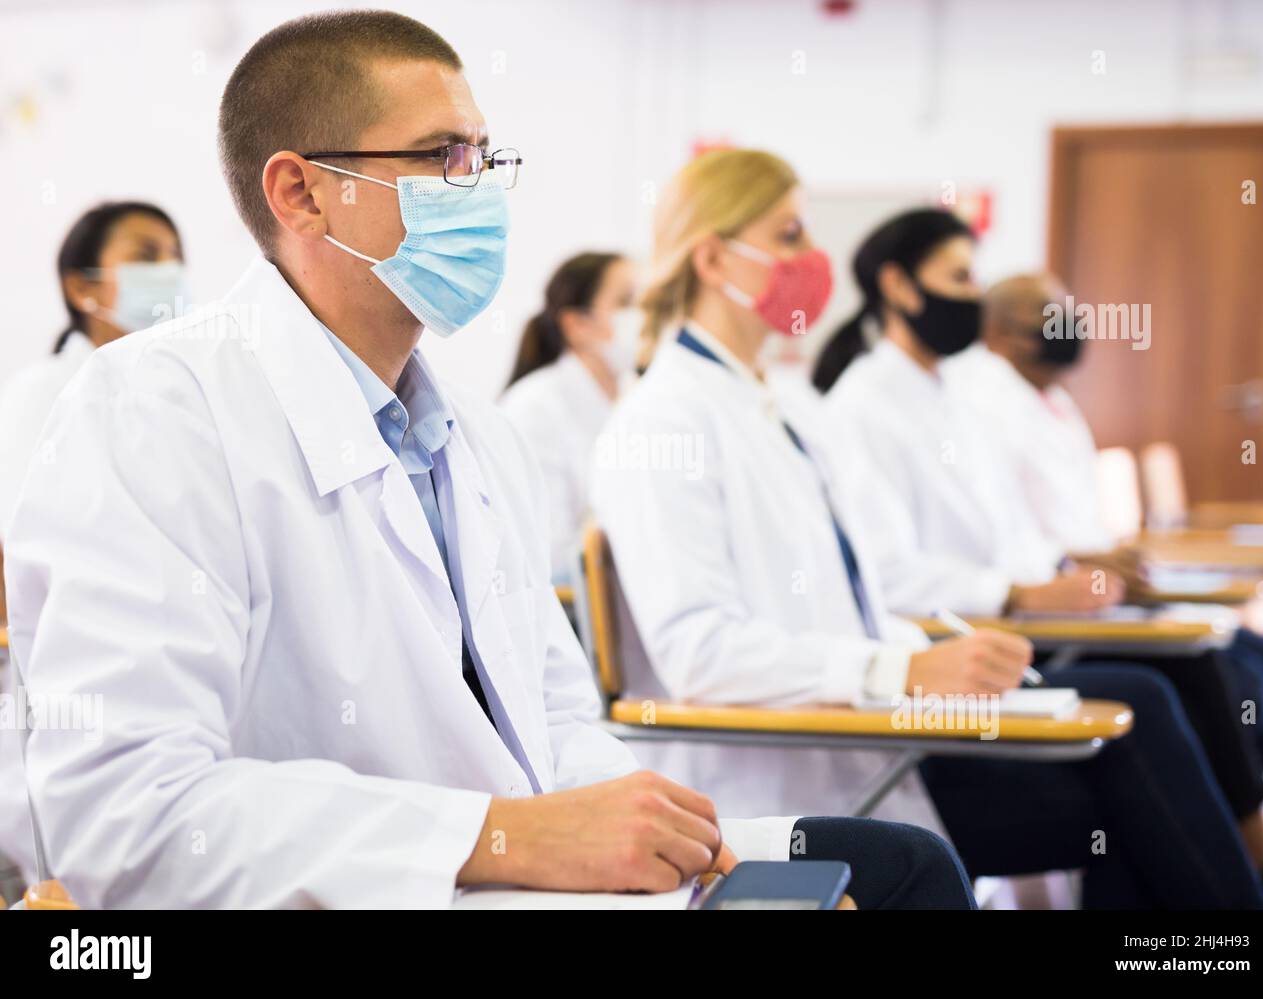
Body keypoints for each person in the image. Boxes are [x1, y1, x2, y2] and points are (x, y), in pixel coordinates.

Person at [3, 10, 973, 910]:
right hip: (386, 890)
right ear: (300, 193)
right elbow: (127, 815)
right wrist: (503, 838)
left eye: (483, 156)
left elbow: (551, 730)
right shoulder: (155, 412)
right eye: (442, 157)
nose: (482, 192)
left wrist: (667, 847)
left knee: (897, 870)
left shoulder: (470, 432)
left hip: (513, 880)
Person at [589, 147, 1263, 908]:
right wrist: (901, 673)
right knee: (1138, 762)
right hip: (789, 770)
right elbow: (698, 652)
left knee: (1134, 738)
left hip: (870, 735)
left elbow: (861, 597)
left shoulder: (783, 403)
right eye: (788, 236)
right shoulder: (661, 423)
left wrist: (952, 659)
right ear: (714, 257)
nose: (811, 259)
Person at [816, 211, 1263, 903]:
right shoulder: (862, 409)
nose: (973, 296)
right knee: (1155, 713)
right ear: (897, 285)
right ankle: (1256, 892)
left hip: (999, 627)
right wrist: (1021, 593)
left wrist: (1065, 570)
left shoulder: (951, 397)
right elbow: (890, 577)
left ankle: (1247, 898)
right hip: (952, 651)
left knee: (1175, 688)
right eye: (958, 277)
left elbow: (1012, 535)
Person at [952, 272, 1263, 768]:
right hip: (1052, 610)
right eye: (1048, 314)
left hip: (1100, 592)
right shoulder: (979, 405)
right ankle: (1246, 832)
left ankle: (1243, 809)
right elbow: (1007, 540)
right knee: (1224, 680)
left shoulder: (1054, 400)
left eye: (1067, 310)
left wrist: (1115, 561)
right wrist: (1082, 563)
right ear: (1000, 333)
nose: (1068, 324)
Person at [0, 200, 185, 893]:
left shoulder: (173, 392)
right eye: (144, 255)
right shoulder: (40, 396)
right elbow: (28, 564)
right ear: (82, 288)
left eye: (174, 252)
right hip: (67, 697)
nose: (169, 270)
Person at [499, 252, 639, 579]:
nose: (646, 315)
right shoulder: (534, 408)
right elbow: (548, 557)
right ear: (577, 325)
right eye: (628, 302)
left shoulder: (634, 400)